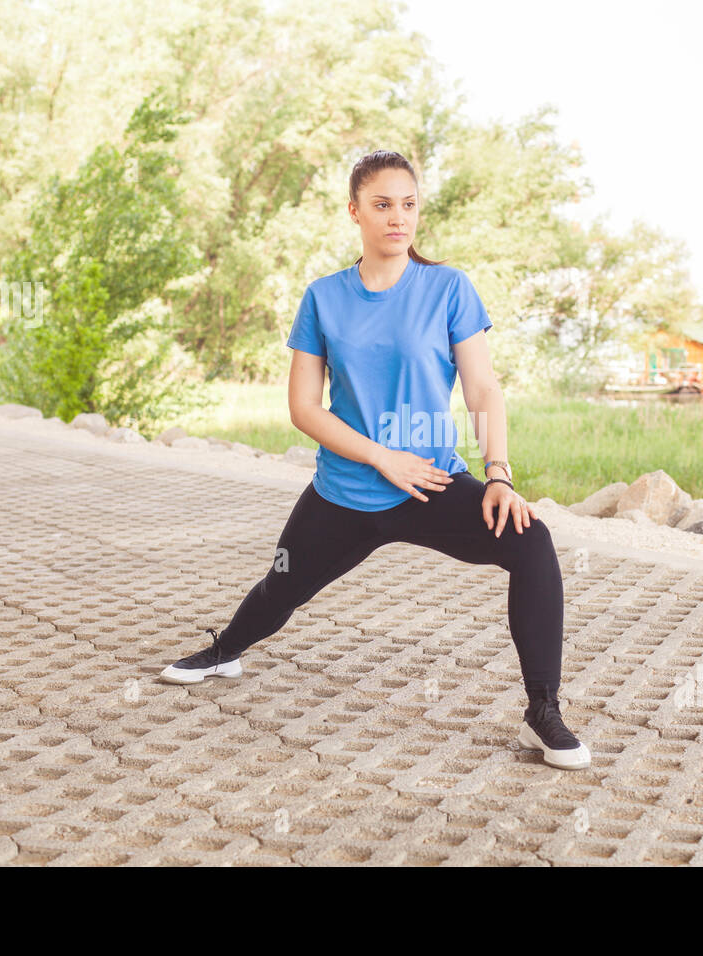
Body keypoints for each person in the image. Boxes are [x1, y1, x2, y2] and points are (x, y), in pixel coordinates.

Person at [160, 149, 590, 771]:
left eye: (409, 205)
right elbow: (305, 408)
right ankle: (226, 649)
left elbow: (482, 390)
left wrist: (498, 473)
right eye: (383, 205)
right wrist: (383, 458)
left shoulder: (448, 288)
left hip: (433, 483)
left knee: (532, 541)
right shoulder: (324, 298)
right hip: (345, 491)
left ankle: (542, 711)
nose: (398, 218)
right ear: (355, 211)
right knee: (280, 586)